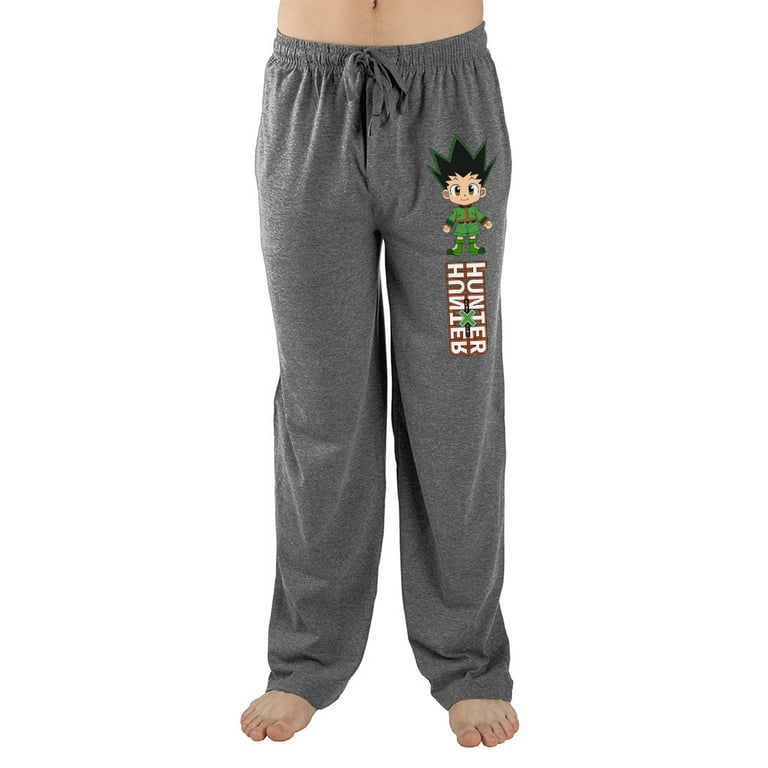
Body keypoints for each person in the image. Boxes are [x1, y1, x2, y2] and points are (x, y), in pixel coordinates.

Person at [240, 0, 520, 748]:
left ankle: (467, 659)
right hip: (308, 104)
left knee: (456, 399)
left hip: (450, 112)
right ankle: (308, 657)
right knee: (319, 406)